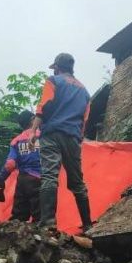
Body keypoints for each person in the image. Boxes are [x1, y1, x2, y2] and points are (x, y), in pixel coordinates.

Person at [29, 53, 92, 232]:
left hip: (52, 133)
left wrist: (33, 131)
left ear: (57, 67)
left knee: (49, 175)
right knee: (77, 182)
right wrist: (77, 139)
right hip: (72, 137)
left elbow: (42, 107)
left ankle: (48, 224)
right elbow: (84, 120)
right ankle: (87, 225)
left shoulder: (53, 81)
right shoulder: (85, 92)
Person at [0, 109, 41, 222]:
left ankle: (13, 236)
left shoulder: (16, 141)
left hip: (22, 180)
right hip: (40, 179)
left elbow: (10, 165)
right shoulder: (44, 136)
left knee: (19, 216)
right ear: (33, 120)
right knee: (40, 217)